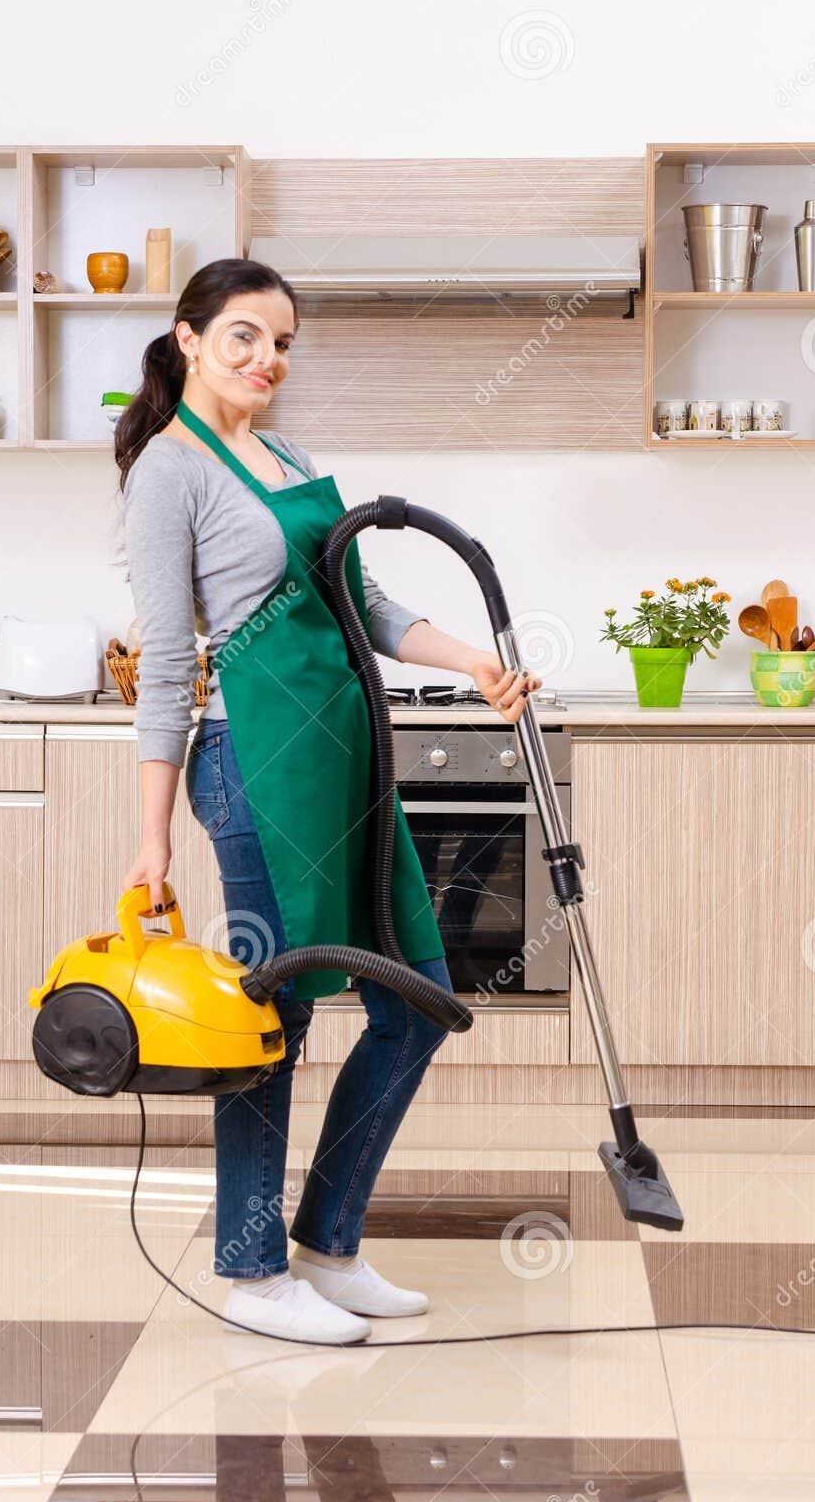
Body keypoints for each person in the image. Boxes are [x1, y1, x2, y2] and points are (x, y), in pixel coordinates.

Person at [117, 258, 538, 1343]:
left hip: (347, 758)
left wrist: (476, 665)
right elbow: (170, 657)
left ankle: (329, 1245)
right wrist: (151, 840)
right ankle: (253, 1273)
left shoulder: (291, 455)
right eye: (246, 337)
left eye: (285, 342)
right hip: (248, 761)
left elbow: (370, 601)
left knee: (418, 1001)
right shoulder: (169, 471)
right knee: (276, 1014)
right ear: (188, 339)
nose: (268, 360)